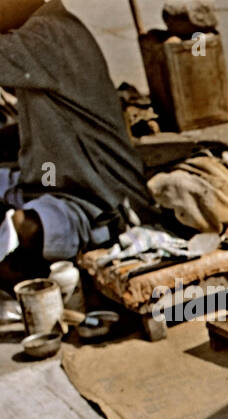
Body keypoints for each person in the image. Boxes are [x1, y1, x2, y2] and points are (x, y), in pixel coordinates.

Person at [0, 0, 152, 268]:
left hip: (100, 200)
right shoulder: (45, 29)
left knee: (23, 228)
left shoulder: (46, 35)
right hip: (52, 180)